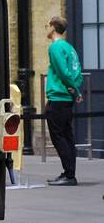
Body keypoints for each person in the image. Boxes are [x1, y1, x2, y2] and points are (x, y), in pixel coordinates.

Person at [45, 15, 85, 186]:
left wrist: (74, 90)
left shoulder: (55, 48)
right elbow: (77, 73)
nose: (46, 28)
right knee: (67, 136)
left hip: (58, 98)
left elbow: (62, 72)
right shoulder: (70, 48)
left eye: (47, 25)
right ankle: (69, 172)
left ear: (53, 27)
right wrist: (75, 89)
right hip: (66, 98)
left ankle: (69, 175)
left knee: (58, 137)